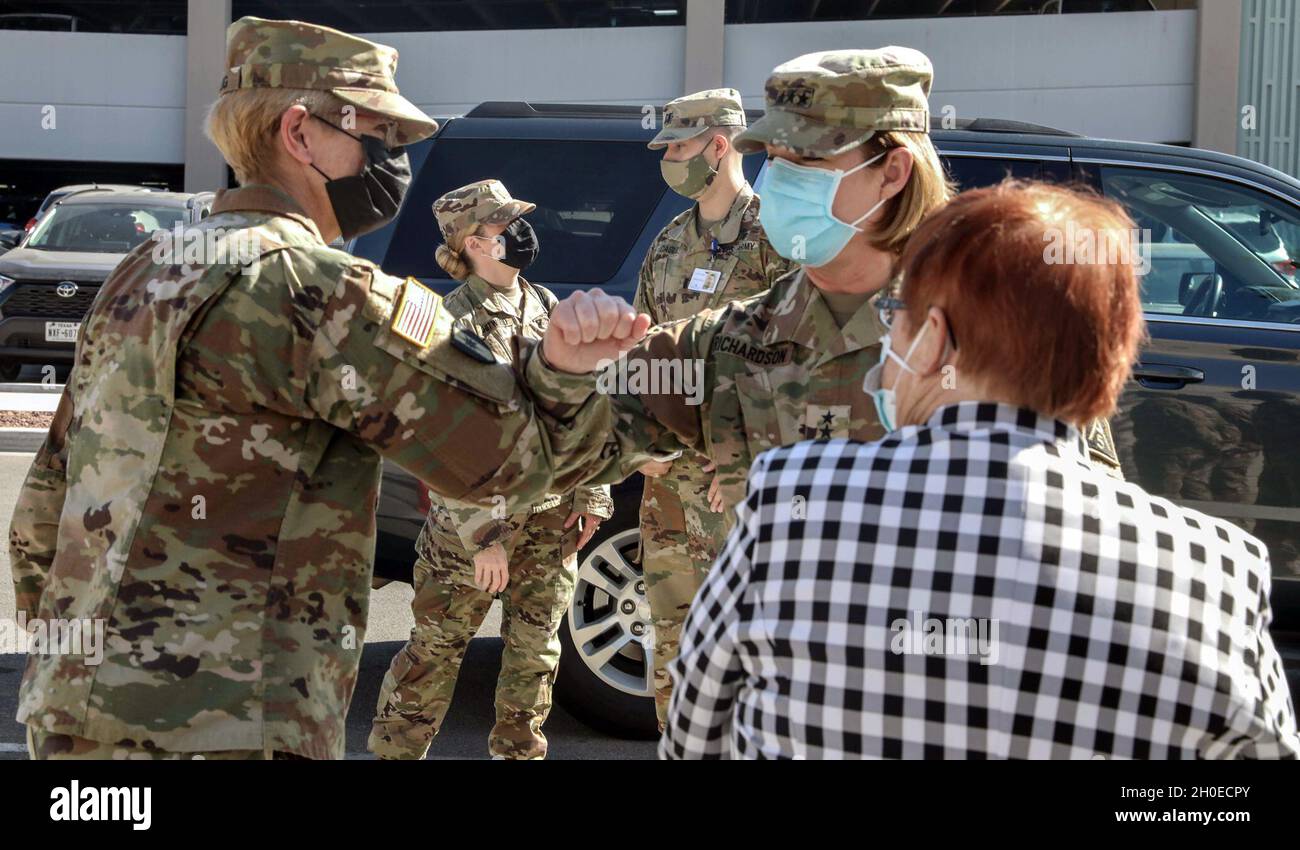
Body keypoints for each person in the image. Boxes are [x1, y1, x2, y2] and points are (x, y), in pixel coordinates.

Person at [9, 17, 648, 761]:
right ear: (300, 134)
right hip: (226, 723)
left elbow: (48, 494)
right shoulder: (316, 287)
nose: (392, 162)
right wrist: (567, 373)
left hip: (76, 715)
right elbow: (503, 463)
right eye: (375, 136)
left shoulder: (149, 265)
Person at [660, 180, 1300, 759]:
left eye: (896, 320)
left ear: (934, 340)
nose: (885, 350)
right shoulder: (1214, 570)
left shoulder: (790, 506)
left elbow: (694, 739)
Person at [369, 180, 613, 760]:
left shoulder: (546, 304)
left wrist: (592, 493)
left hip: (549, 526)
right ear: (474, 244)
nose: (521, 234)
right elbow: (439, 440)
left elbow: (581, 405)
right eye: (504, 226)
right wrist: (484, 537)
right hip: (473, 536)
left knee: (534, 663)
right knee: (433, 658)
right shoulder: (449, 321)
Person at [634, 88, 794, 728]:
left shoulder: (773, 238)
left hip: (743, 491)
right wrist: (637, 443)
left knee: (755, 652)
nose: (669, 158)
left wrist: (749, 458)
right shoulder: (669, 244)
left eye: (677, 144)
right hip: (669, 488)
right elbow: (642, 350)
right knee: (675, 650)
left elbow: (796, 360)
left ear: (719, 144)